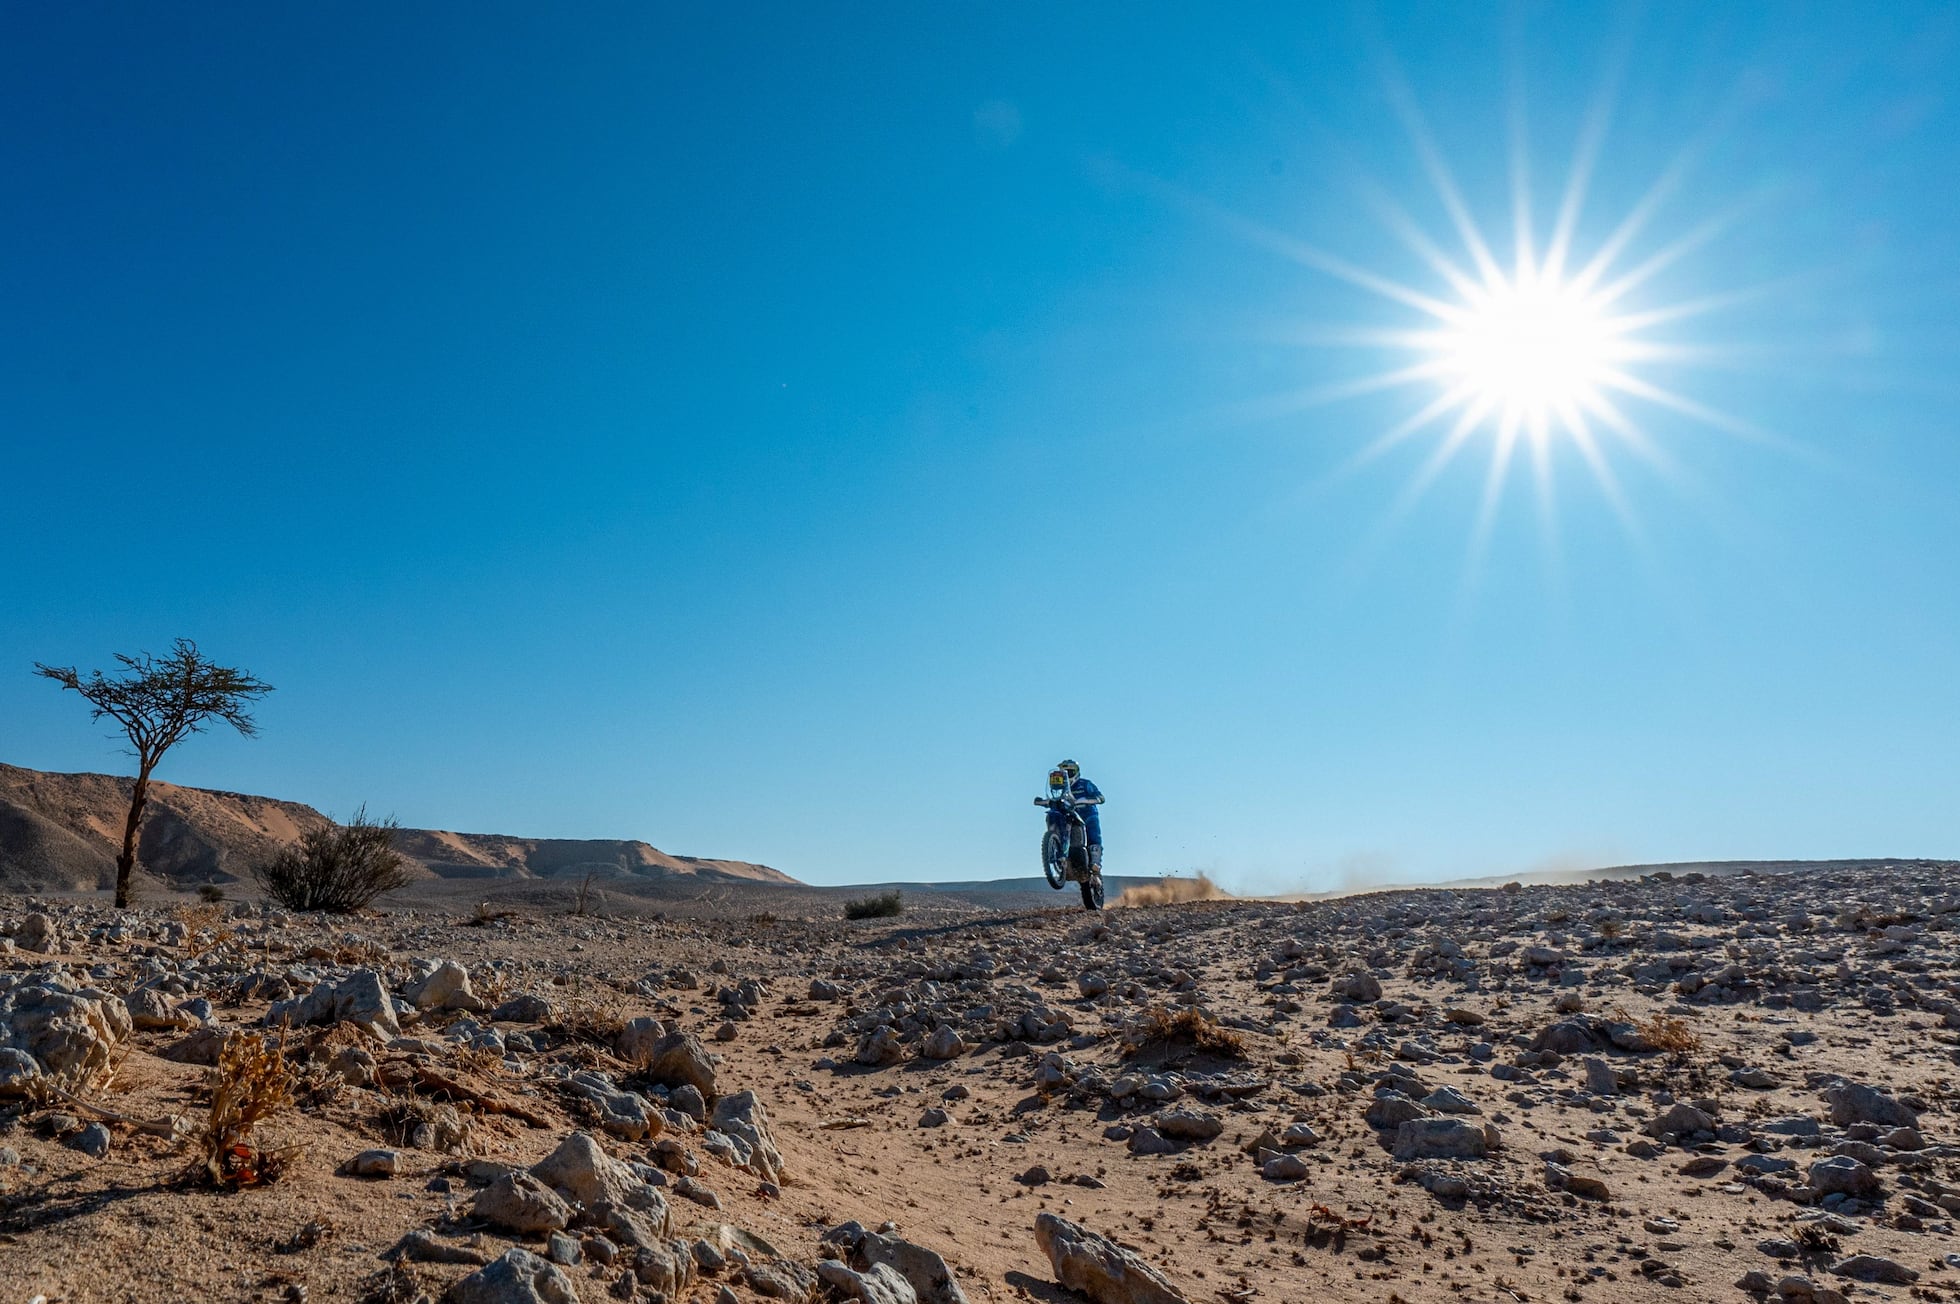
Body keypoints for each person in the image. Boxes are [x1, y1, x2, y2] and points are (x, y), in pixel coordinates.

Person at [1056, 759, 1103, 874]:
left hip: (1088, 813)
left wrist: (1087, 800)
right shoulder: (1061, 790)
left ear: (1076, 772)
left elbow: (1101, 797)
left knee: (1092, 831)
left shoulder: (1085, 784)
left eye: (1069, 772)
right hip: (1071, 816)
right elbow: (1056, 800)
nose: (1067, 775)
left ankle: (1095, 862)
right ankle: (1059, 853)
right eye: (1064, 772)